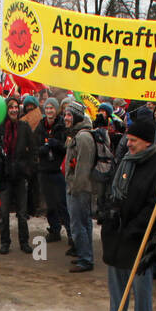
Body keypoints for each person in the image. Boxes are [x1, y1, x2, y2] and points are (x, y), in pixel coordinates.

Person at [96, 116, 156, 311]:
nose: (128, 143)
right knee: (116, 277)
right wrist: (108, 211)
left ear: (147, 141)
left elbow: (155, 205)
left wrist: (135, 228)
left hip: (138, 234)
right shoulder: (126, 160)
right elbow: (114, 189)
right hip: (117, 230)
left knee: (140, 283)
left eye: (134, 140)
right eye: (128, 138)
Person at [0, 96, 36, 255]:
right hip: (4, 177)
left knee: (22, 213)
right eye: (10, 107)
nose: (13, 110)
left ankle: (24, 241)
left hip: (20, 176)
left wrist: (28, 169)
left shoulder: (24, 127)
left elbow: (33, 150)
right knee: (4, 213)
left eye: (16, 107)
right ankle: (5, 242)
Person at [62, 102, 96, 273]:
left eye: (69, 114)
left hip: (79, 189)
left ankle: (86, 259)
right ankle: (85, 255)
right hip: (77, 188)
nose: (66, 118)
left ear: (76, 116)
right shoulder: (77, 134)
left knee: (78, 224)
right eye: (65, 114)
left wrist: (74, 189)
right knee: (84, 223)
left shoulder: (83, 137)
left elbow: (83, 168)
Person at [34, 98, 68, 242]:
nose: (49, 111)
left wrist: (56, 144)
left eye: (51, 108)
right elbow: (34, 146)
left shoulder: (62, 125)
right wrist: (42, 149)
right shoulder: (40, 126)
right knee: (50, 203)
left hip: (58, 171)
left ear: (56, 110)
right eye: (47, 108)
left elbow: (67, 147)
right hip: (44, 170)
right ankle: (54, 230)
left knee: (62, 203)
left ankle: (72, 234)